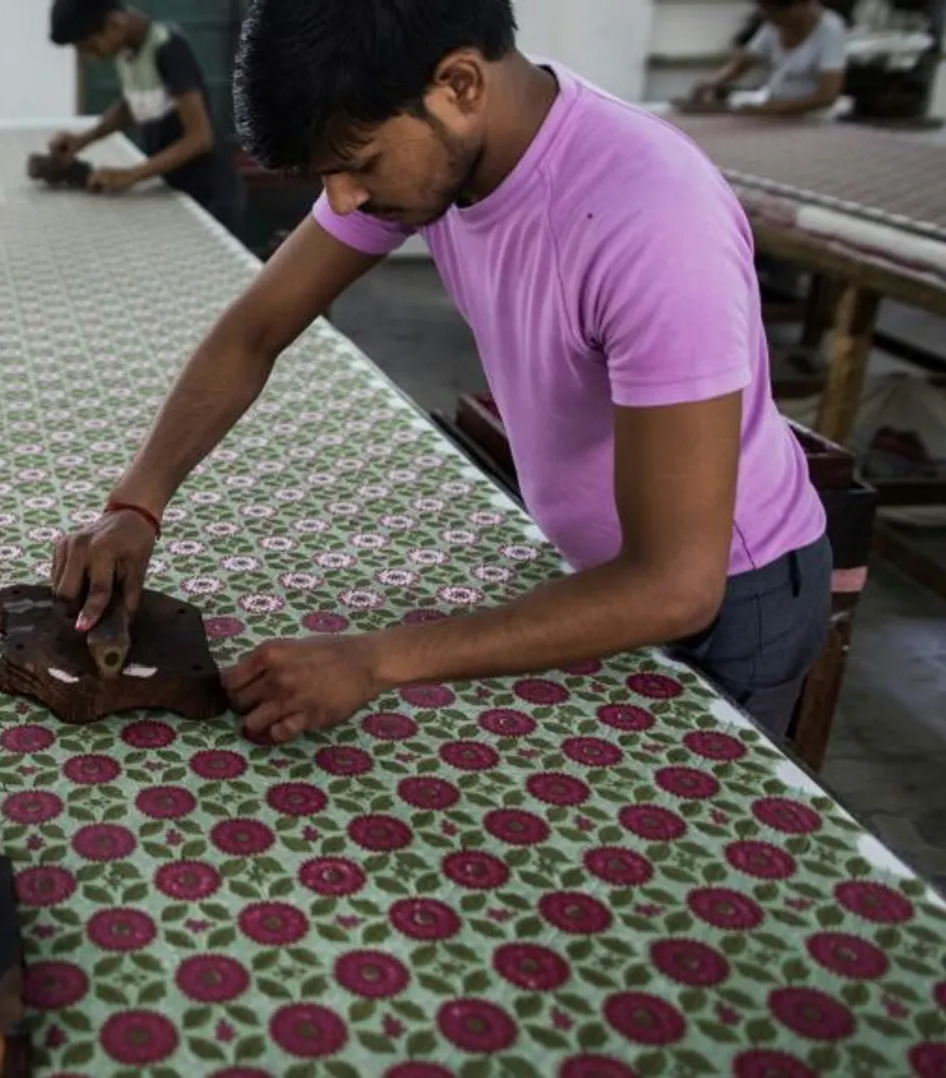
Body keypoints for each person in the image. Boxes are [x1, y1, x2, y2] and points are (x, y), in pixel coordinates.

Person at [51, 0, 832, 745]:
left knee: (686, 818)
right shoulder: (447, 133)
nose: (343, 201)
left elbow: (674, 584)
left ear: (460, 84)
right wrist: (139, 500)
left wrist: (375, 660)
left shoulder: (655, 221)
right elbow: (255, 332)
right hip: (592, 570)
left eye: (358, 166)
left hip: (732, 600)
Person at [44, 0, 246, 232]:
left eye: (90, 46)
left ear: (114, 24)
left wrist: (130, 175)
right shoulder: (126, 51)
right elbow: (132, 103)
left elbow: (200, 137)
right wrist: (81, 141)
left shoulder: (168, 48)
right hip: (170, 188)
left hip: (209, 196)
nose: (91, 57)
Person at [690, 0, 850, 117]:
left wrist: (773, 109)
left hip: (812, 116)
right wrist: (712, 82)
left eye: (773, 14)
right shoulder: (773, 25)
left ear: (798, 6)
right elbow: (742, 63)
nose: (771, 20)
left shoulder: (830, 30)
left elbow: (827, 96)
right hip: (773, 106)